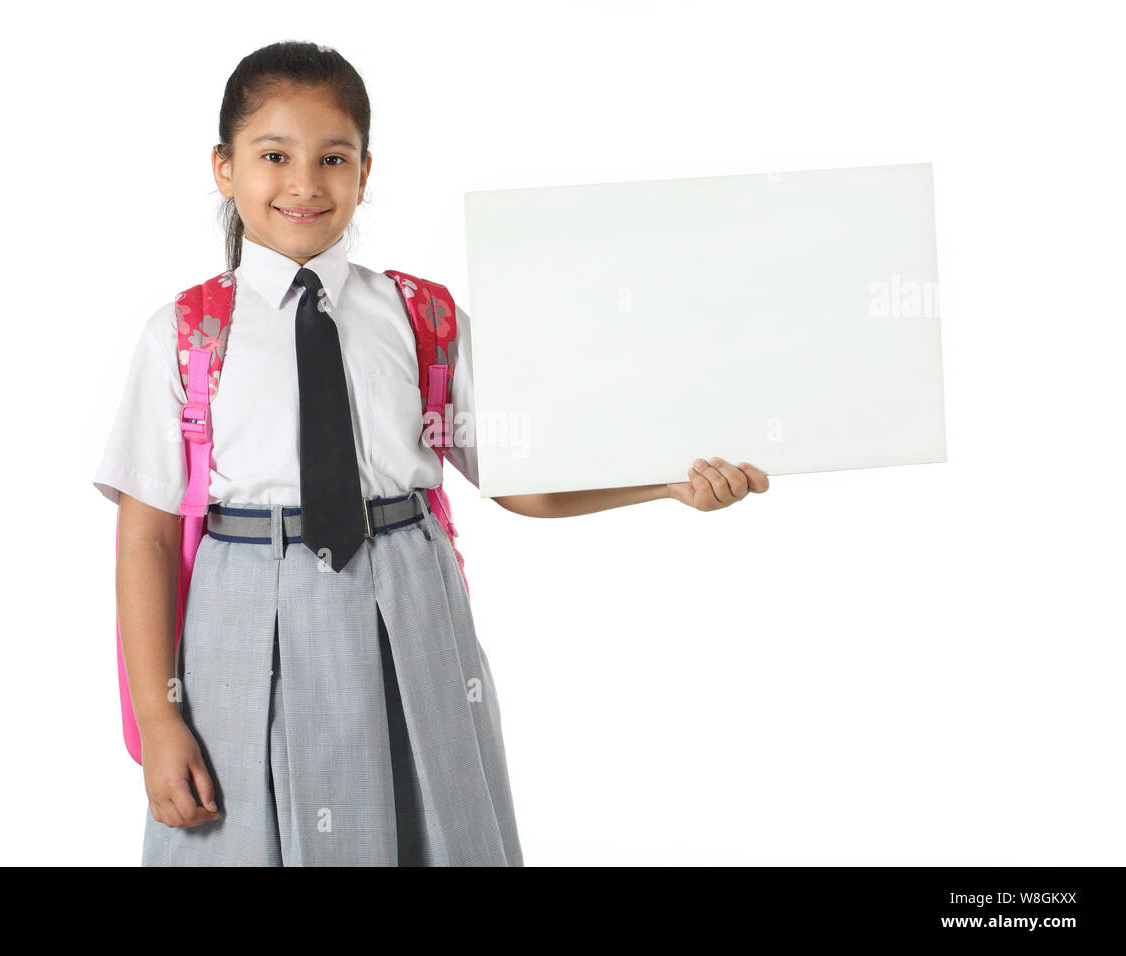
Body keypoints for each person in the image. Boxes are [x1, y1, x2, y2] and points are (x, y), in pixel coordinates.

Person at [93, 40, 769, 867]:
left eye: (333, 158)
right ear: (224, 167)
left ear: (365, 172)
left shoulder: (420, 319)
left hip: (408, 606)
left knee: (432, 835)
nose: (304, 183)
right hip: (242, 620)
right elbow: (149, 536)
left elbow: (523, 483)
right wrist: (160, 720)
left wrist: (668, 485)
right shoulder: (186, 334)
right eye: (274, 155)